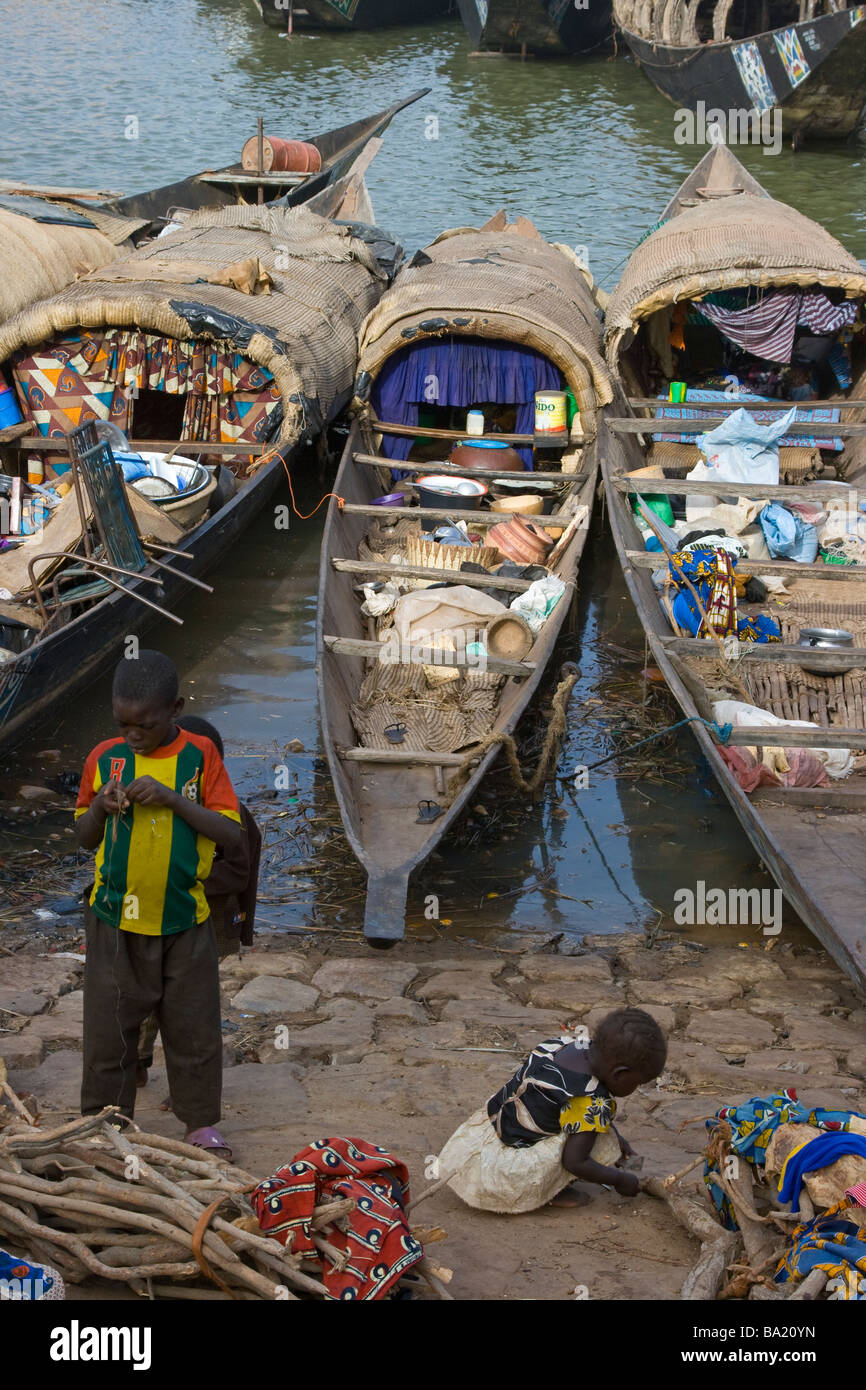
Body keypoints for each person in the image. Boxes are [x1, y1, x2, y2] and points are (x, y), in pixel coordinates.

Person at [74, 650, 242, 1160]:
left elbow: (230, 834)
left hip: (184, 920)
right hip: (114, 921)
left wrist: (173, 799)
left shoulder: (200, 756)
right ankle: (107, 1119)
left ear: (175, 709)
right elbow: (84, 836)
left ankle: (199, 1123)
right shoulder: (104, 758)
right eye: (122, 724)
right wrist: (101, 805)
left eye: (144, 725)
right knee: (110, 1031)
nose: (132, 735)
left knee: (194, 1029)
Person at [436, 1007, 666, 1213]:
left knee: (594, 1123)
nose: (635, 1088)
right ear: (620, 1074)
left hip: (497, 1125)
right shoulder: (591, 1099)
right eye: (637, 1083)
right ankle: (549, 1192)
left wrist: (616, 1138)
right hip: (511, 1164)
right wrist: (620, 1180)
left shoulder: (563, 1045)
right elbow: (575, 1162)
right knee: (588, 1132)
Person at [136, 713, 262, 1090]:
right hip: (162, 918)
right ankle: (138, 1060)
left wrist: (186, 880)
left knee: (186, 1006)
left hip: (209, 924)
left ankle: (190, 1084)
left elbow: (238, 873)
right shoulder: (161, 805)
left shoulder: (230, 815)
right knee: (148, 996)